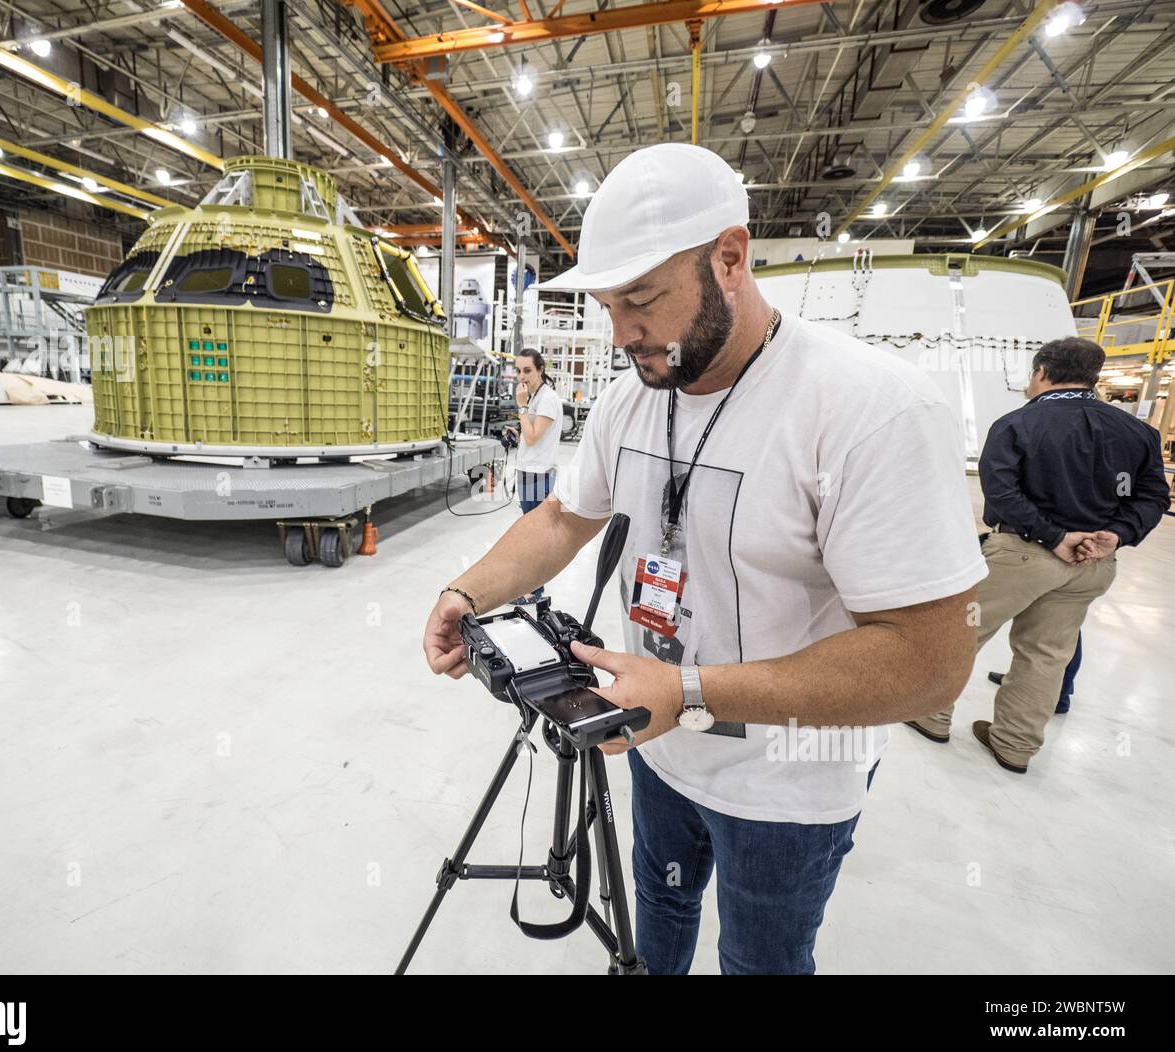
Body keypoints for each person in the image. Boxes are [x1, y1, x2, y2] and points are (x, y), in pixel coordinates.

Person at [423, 143, 986, 974]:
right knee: (661, 911)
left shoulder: (869, 408)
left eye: (641, 299)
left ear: (730, 258)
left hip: (787, 786)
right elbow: (562, 517)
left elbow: (932, 659)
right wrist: (464, 591)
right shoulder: (630, 399)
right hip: (655, 746)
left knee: (760, 958)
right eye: (608, 304)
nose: (621, 333)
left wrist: (688, 691)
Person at [907, 337, 1169, 771]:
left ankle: (930, 715)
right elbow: (1152, 496)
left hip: (1020, 556)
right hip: (1092, 565)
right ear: (1094, 378)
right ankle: (1014, 745)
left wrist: (1053, 536)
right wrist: (1114, 535)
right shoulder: (1139, 432)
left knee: (959, 632)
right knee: (1047, 654)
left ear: (1041, 373)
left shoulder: (1017, 424)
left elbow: (1003, 493)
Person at [511, 348, 563, 604]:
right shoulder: (534, 398)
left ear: (540, 370)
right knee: (529, 531)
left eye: (527, 370)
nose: (522, 376)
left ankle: (535, 591)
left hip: (539, 475)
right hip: (528, 471)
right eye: (518, 370)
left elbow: (533, 437)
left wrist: (521, 408)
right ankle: (528, 586)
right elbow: (529, 437)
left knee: (537, 535)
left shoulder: (547, 399)